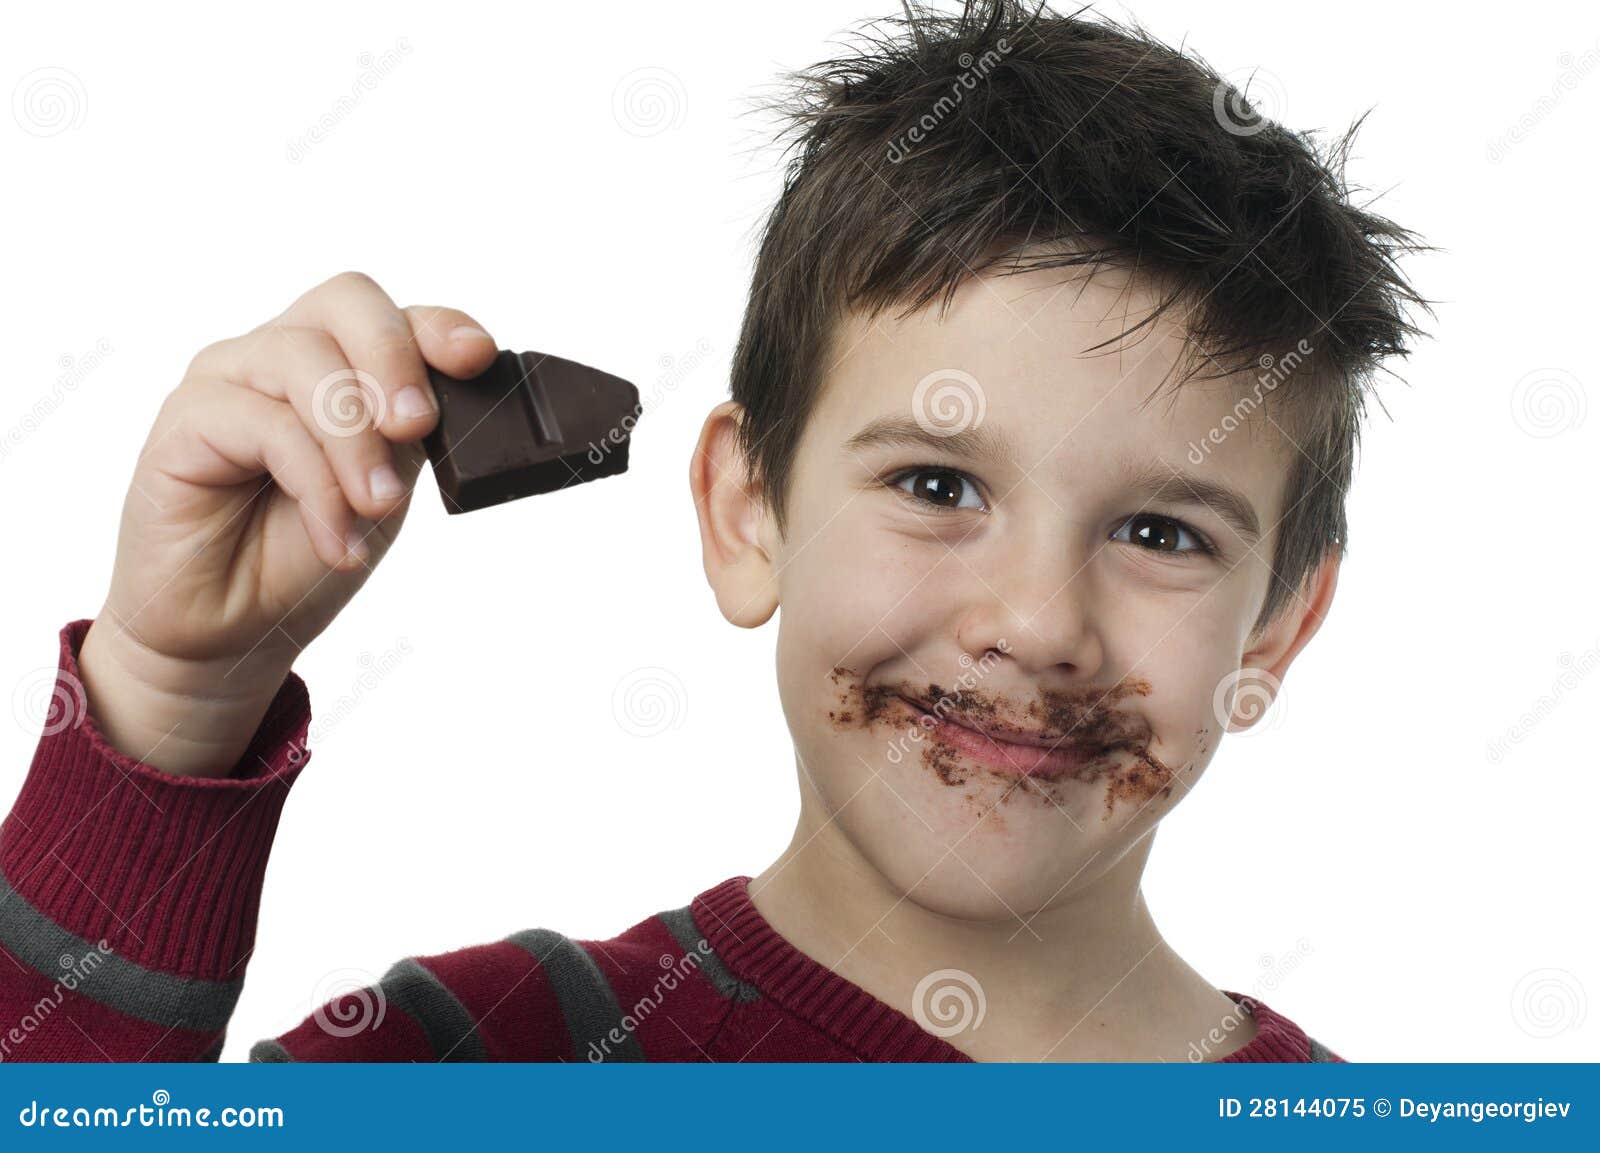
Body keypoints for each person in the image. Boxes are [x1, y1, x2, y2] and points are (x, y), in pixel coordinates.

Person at [0, 0, 1425, 1062]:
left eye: (1164, 532)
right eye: (937, 486)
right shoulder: (473, 1063)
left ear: (1284, 620)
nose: (1039, 619)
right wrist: (170, 702)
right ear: (748, 512)